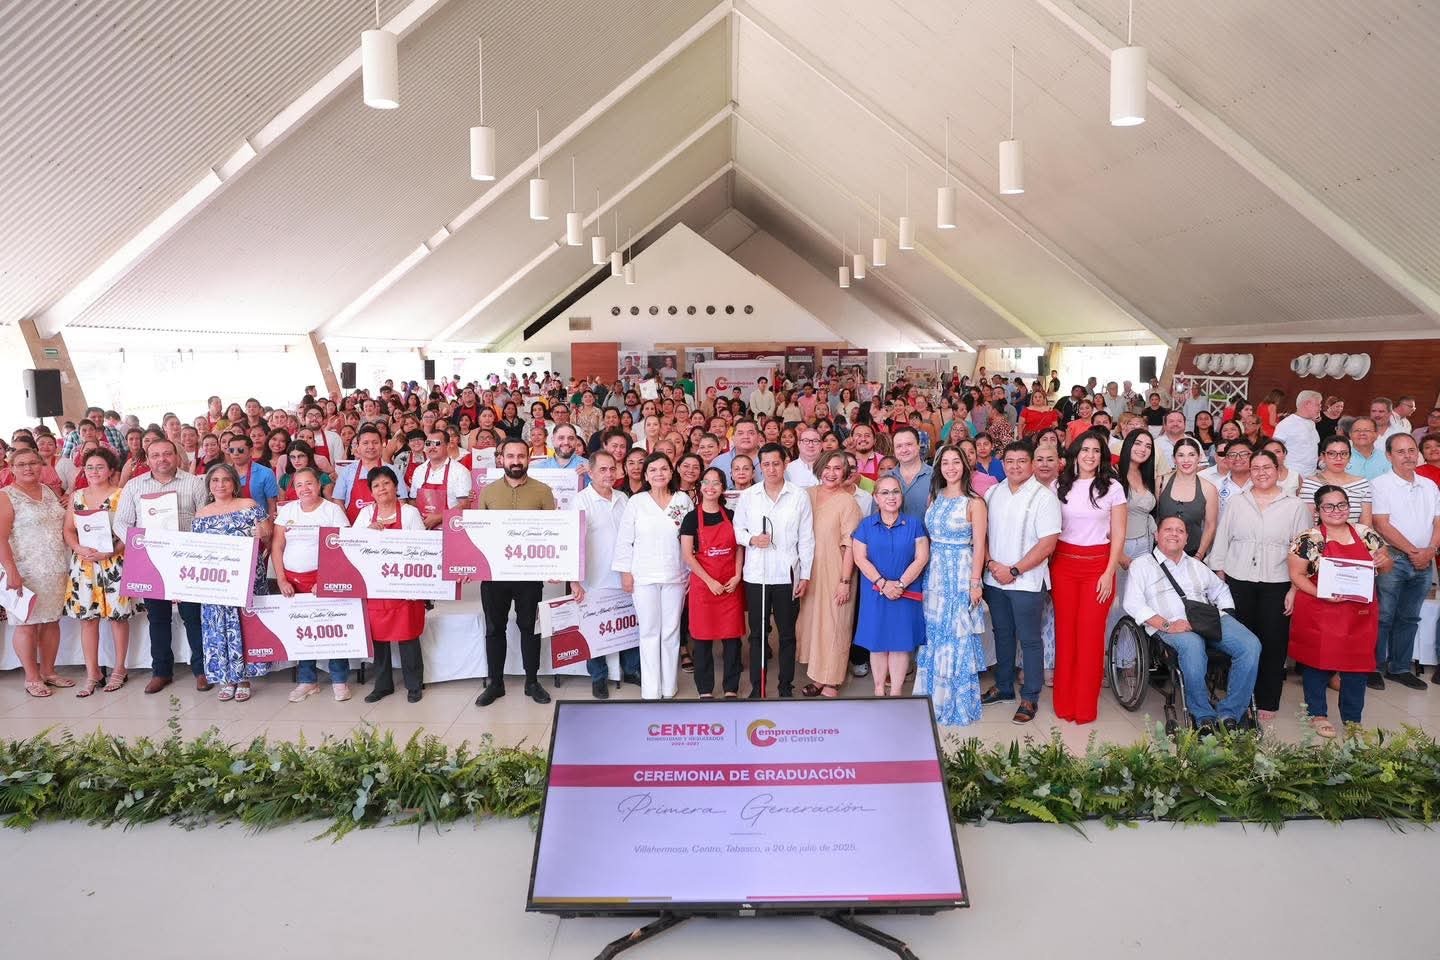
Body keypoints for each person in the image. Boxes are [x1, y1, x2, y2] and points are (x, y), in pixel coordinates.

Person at [1124, 516, 1261, 732]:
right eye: (1168, 529)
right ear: (1156, 535)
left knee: (1250, 645)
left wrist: (1225, 616)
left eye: (1180, 530)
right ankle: (1202, 715)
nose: (1174, 533)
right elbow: (1132, 603)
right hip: (1170, 624)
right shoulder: (1141, 565)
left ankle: (1230, 714)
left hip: (1207, 620)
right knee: (1193, 646)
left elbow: (1221, 590)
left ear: (1186, 539)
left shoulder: (1197, 565)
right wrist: (1168, 625)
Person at [1208, 448, 1310, 720]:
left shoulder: (1295, 505)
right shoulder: (1238, 502)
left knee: (1273, 642)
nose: (1262, 473)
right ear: (1249, 472)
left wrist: (1294, 588)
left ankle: (1267, 700)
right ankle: (1239, 698)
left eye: (1267, 467)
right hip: (1238, 579)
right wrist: (1219, 574)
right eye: (1256, 468)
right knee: (1241, 642)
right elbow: (1222, 539)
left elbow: (1303, 551)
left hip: (1277, 582)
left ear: (1278, 471)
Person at [113, 438, 210, 694]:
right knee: (158, 618)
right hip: (150, 561)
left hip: (186, 560)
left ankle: (202, 671)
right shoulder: (134, 486)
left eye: (167, 454)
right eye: (155, 455)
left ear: (176, 456)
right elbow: (120, 522)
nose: (162, 459)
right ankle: (161, 672)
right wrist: (138, 543)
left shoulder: (194, 483)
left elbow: (205, 518)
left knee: (193, 617)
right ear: (147, 459)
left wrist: (191, 544)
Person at [1288, 485, 1387, 737]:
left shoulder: (1365, 534)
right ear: (1318, 510)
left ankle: (1353, 720)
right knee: (1317, 664)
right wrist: (1322, 593)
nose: (1336, 510)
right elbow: (1297, 575)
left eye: (1341, 504)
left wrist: (1385, 561)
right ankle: (1317, 714)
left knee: (1357, 668)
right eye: (1329, 506)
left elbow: (1386, 566)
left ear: (1349, 506)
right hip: (1321, 611)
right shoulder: (1309, 538)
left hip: (1360, 615)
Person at [981, 440, 1061, 723]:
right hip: (995, 578)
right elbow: (983, 535)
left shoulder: (1044, 497)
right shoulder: (993, 492)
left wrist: (1014, 570)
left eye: (1021, 461)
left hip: (1026, 581)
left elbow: (1048, 543)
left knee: (1029, 639)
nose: (1015, 466)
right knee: (1002, 633)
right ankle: (1003, 687)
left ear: (1031, 464)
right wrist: (991, 564)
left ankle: (1030, 696)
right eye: (1010, 461)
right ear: (1003, 464)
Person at [1050, 430, 1126, 724]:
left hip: (1098, 566)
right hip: (1064, 565)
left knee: (1090, 636)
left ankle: (1084, 706)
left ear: (1102, 456)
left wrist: (1110, 572)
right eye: (1085, 450)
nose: (1090, 456)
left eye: (1096, 451)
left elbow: (1118, 533)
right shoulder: (1060, 485)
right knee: (1066, 634)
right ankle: (1064, 702)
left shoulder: (1113, 488)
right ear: (1075, 454)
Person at [474, 438, 557, 707]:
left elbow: (552, 533)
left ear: (529, 457)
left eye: (521, 455)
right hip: (494, 575)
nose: (516, 461)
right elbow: (479, 534)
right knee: (494, 628)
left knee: (528, 628)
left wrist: (556, 565)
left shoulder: (543, 491)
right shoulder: (487, 492)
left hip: (528, 575)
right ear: (501, 458)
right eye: (510, 456)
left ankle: (531, 681)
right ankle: (495, 683)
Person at [913, 445, 987, 725]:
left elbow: (979, 545)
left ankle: (954, 702)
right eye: (946, 462)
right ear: (939, 467)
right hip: (933, 574)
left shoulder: (974, 502)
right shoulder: (935, 497)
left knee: (955, 636)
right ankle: (929, 698)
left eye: (957, 462)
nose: (951, 467)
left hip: (960, 573)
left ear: (965, 466)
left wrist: (975, 582)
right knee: (934, 636)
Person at [734, 443, 815, 698]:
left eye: (776, 463)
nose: (771, 469)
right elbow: (737, 530)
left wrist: (805, 574)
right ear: (760, 466)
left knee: (787, 634)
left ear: (785, 464)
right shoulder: (749, 496)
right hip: (756, 575)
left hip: (786, 574)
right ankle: (758, 689)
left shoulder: (798, 496)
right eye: (766, 464)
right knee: (757, 635)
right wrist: (751, 540)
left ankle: (784, 687)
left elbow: (806, 538)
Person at [613, 453, 692, 700]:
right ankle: (651, 689)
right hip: (643, 576)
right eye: (653, 470)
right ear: (646, 475)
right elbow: (625, 540)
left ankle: (669, 686)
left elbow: (690, 541)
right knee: (648, 631)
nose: (659, 474)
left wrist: (690, 573)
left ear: (671, 472)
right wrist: (625, 573)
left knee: (671, 631)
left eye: (663, 469)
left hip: (676, 575)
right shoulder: (636, 502)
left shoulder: (683, 500)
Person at [274, 467, 353, 702]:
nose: (304, 489)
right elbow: (278, 546)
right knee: (304, 630)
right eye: (299, 485)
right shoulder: (287, 510)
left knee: (331, 629)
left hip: (323, 580)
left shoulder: (332, 511)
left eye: (309, 483)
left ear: (319, 485)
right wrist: (281, 578)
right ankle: (308, 680)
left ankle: (340, 679)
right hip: (293, 581)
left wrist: (326, 579)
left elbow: (342, 548)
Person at [193, 464, 271, 701]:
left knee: (244, 625)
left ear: (234, 483)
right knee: (219, 627)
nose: (220, 484)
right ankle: (226, 677)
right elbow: (196, 550)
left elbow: (267, 532)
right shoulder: (202, 514)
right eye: (215, 480)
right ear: (209, 485)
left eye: (226, 480)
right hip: (217, 582)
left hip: (247, 579)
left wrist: (262, 533)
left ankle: (244, 676)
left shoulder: (248, 506)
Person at [350, 466, 428, 703]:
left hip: (404, 585)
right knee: (379, 638)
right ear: (371, 492)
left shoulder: (410, 513)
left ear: (396, 486)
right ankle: (383, 685)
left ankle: (414, 685)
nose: (381, 489)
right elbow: (352, 544)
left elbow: (423, 548)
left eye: (386, 483)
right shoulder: (365, 515)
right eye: (376, 486)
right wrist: (367, 533)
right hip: (374, 586)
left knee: (408, 635)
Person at [1368, 434, 1440, 691]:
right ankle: (1373, 667)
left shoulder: (1429, 485)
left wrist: (1430, 550)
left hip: (1425, 559)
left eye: (1411, 450)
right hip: (1394, 559)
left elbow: (1438, 521)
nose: (1408, 455)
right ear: (1389, 456)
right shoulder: (1380, 485)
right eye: (1401, 451)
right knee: (1384, 616)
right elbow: (1381, 524)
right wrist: (1413, 551)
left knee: (1410, 617)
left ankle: (1399, 668)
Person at [62, 448, 134, 696]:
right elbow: (69, 530)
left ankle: (119, 669)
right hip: (85, 564)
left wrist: (111, 552)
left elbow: (130, 529)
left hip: (114, 562)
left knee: (118, 618)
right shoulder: (77, 495)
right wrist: (78, 547)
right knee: (88, 619)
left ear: (111, 470)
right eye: (90, 467)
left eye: (100, 467)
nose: (94, 471)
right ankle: (92, 672)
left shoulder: (122, 495)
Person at [0, 448, 70, 698]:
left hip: (54, 568)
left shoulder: (49, 491)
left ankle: (49, 671)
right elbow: (1, 537)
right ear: (11, 468)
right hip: (25, 570)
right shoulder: (6, 496)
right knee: (26, 624)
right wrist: (11, 571)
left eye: (33, 463)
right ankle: (31, 676)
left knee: (51, 621)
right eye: (21, 464)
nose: (28, 468)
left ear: (42, 465)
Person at [851, 475, 930, 696]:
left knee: (900, 642)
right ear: (876, 498)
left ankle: (895, 693)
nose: (891, 497)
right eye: (884, 492)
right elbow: (860, 558)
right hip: (876, 591)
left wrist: (901, 584)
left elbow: (921, 557)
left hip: (907, 592)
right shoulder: (866, 525)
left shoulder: (914, 524)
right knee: (877, 642)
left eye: (895, 491)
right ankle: (878, 690)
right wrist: (883, 583)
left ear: (901, 496)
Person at [572, 451, 639, 699]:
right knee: (594, 629)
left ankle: (632, 670)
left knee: (628, 625)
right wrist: (574, 580)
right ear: (590, 473)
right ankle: (598, 677)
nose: (608, 474)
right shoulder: (580, 501)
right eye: (602, 469)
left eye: (612, 469)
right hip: (593, 577)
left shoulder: (624, 499)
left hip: (623, 576)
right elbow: (573, 541)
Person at [795, 452, 861, 699]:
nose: (831, 473)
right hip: (810, 572)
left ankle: (831, 680)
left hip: (837, 572)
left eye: (838, 468)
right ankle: (818, 677)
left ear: (845, 473)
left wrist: (845, 581)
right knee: (815, 625)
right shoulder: (807, 495)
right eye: (828, 467)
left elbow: (851, 545)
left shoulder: (848, 502)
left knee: (835, 624)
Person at [680, 467, 746, 699]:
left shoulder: (731, 516)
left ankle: (731, 688)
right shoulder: (690, 518)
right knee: (702, 640)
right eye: (706, 482)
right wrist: (709, 581)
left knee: (732, 641)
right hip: (704, 587)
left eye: (716, 483)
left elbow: (739, 547)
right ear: (700, 486)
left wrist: (737, 575)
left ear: (722, 488)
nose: (710, 487)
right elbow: (688, 555)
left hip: (730, 586)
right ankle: (705, 689)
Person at [1110, 430, 1159, 636]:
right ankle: (1115, 658)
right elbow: (1104, 519)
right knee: (1120, 602)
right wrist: (1119, 554)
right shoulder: (1113, 474)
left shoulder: (1147, 475)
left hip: (1146, 545)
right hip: (1122, 545)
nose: (1143, 449)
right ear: (1128, 444)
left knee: (1140, 601)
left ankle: (1131, 657)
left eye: (1148, 446)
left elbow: (1149, 513)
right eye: (1138, 443)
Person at [333, 425, 407, 523]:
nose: (371, 446)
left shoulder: (393, 471)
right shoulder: (347, 471)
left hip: (386, 529)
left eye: (375, 442)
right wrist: (347, 527)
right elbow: (338, 501)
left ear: (382, 445)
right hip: (354, 530)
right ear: (358, 447)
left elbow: (401, 501)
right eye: (365, 443)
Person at [1299, 435, 1374, 526]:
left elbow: (1366, 523)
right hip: (1319, 537)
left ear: (1350, 457)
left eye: (1344, 453)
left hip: (1355, 537)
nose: (1338, 458)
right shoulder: (1310, 484)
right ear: (1323, 456)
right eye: (1332, 453)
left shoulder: (1362, 483)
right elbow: (1307, 522)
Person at [409, 428, 473, 528]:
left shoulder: (460, 471)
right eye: (429, 443)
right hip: (421, 530)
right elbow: (412, 501)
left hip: (450, 529)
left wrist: (439, 518)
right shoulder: (418, 471)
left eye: (437, 443)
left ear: (447, 445)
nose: (432, 447)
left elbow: (465, 505)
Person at [886, 426, 933, 520]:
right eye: (899, 446)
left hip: (928, 534)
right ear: (894, 450)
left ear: (918, 445)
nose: (904, 450)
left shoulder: (936, 476)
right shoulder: (885, 478)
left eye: (909, 444)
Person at [1272, 389, 1322, 476]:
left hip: (1311, 475)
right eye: (1318, 404)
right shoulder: (1286, 424)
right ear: (1307, 404)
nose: (1320, 408)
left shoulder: (1311, 423)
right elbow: (1273, 451)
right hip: (1292, 477)